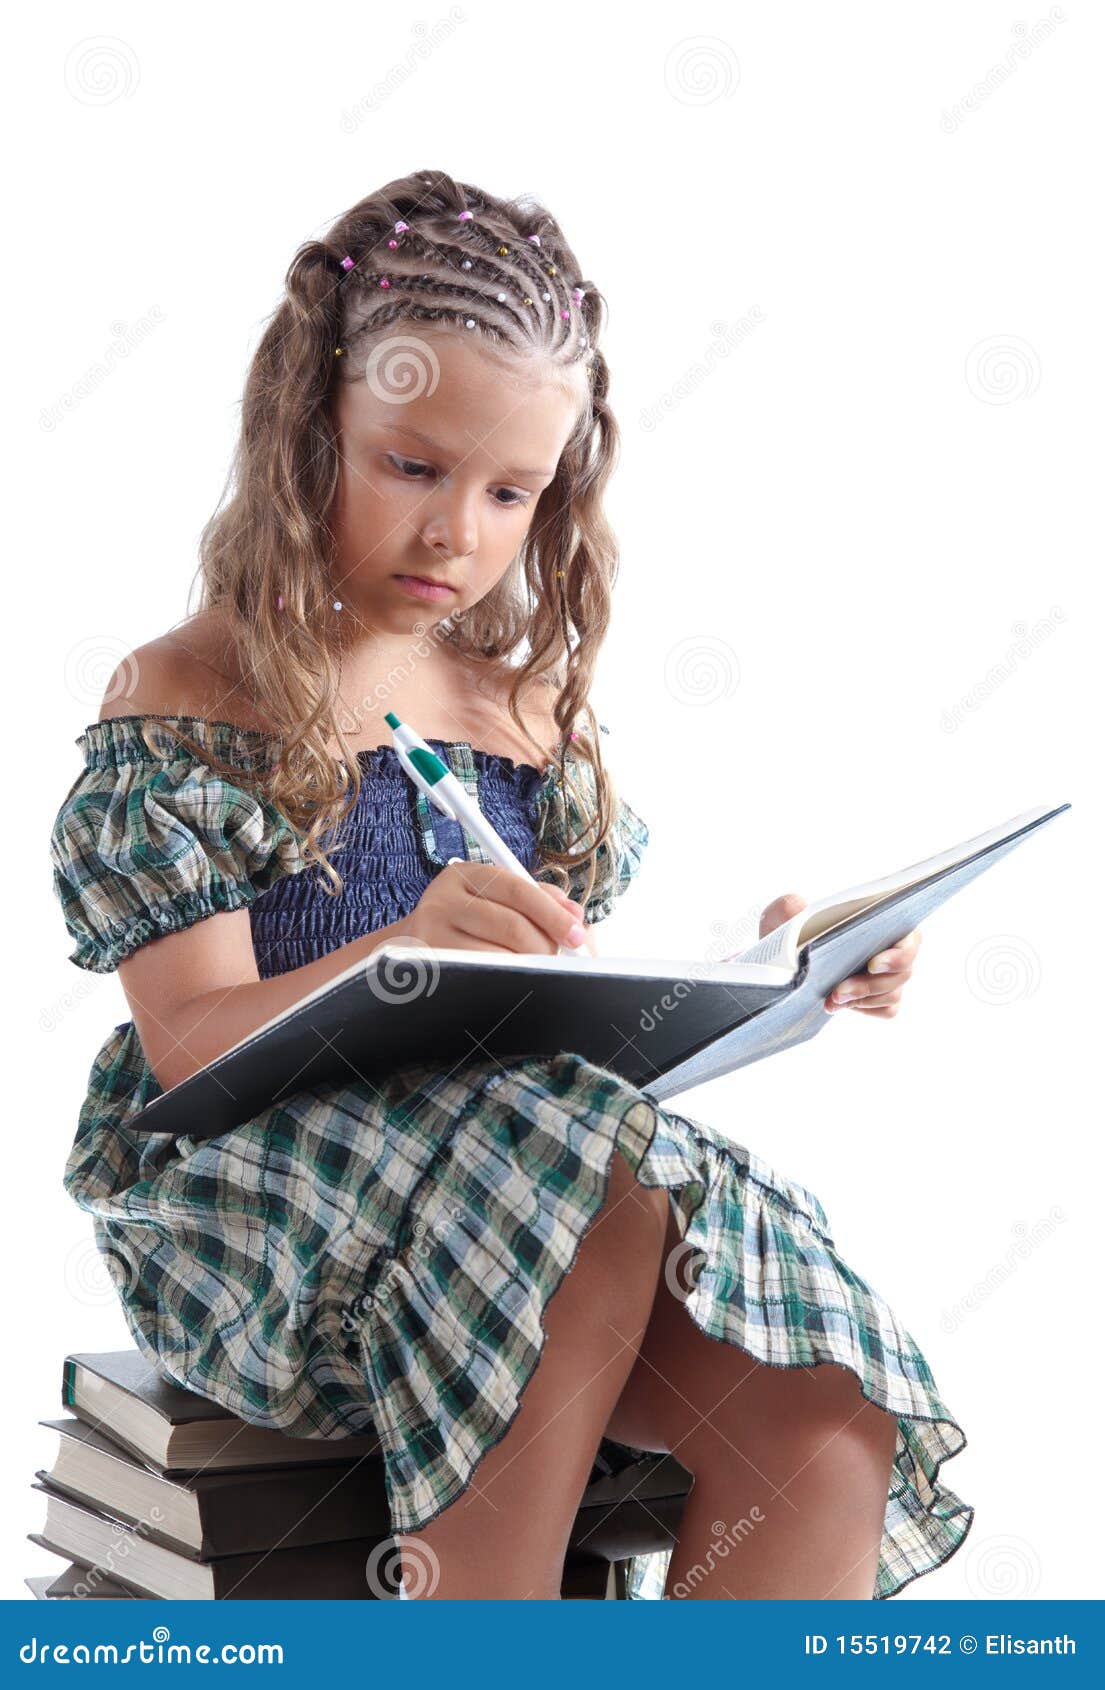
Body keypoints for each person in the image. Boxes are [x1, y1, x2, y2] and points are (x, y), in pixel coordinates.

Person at [47, 168, 970, 1601]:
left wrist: (778, 973)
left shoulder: (518, 714)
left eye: (508, 490)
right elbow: (186, 1049)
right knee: (583, 1180)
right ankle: (482, 1608)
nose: (456, 534)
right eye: (411, 466)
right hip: (271, 1215)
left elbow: (556, 1010)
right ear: (309, 432)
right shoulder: (191, 697)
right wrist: (391, 952)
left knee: (820, 1412)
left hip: (515, 1185)